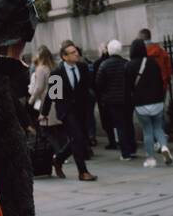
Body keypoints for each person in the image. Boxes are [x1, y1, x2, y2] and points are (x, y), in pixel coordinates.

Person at [40, 39, 97, 181]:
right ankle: (83, 172)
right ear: (64, 57)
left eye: (76, 51)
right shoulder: (57, 73)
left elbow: (86, 89)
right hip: (66, 111)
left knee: (79, 139)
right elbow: (51, 95)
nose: (76, 54)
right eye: (72, 53)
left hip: (81, 110)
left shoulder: (83, 68)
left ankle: (58, 159)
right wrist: (44, 113)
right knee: (77, 138)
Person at [126, 38, 173, 168]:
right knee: (158, 128)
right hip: (157, 101)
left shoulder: (129, 65)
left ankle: (151, 158)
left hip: (141, 103)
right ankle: (164, 147)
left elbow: (128, 87)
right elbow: (160, 81)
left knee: (147, 131)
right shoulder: (153, 63)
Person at [94, 39, 137, 159]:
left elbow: (98, 83)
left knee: (120, 125)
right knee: (129, 123)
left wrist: (104, 95)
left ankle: (125, 152)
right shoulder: (126, 63)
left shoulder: (104, 65)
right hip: (127, 98)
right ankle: (132, 148)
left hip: (112, 100)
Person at [29, 46, 66, 173]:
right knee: (59, 129)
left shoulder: (41, 69)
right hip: (58, 101)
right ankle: (63, 153)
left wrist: (31, 101)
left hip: (46, 102)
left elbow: (39, 88)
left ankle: (59, 154)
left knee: (46, 130)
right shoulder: (55, 67)